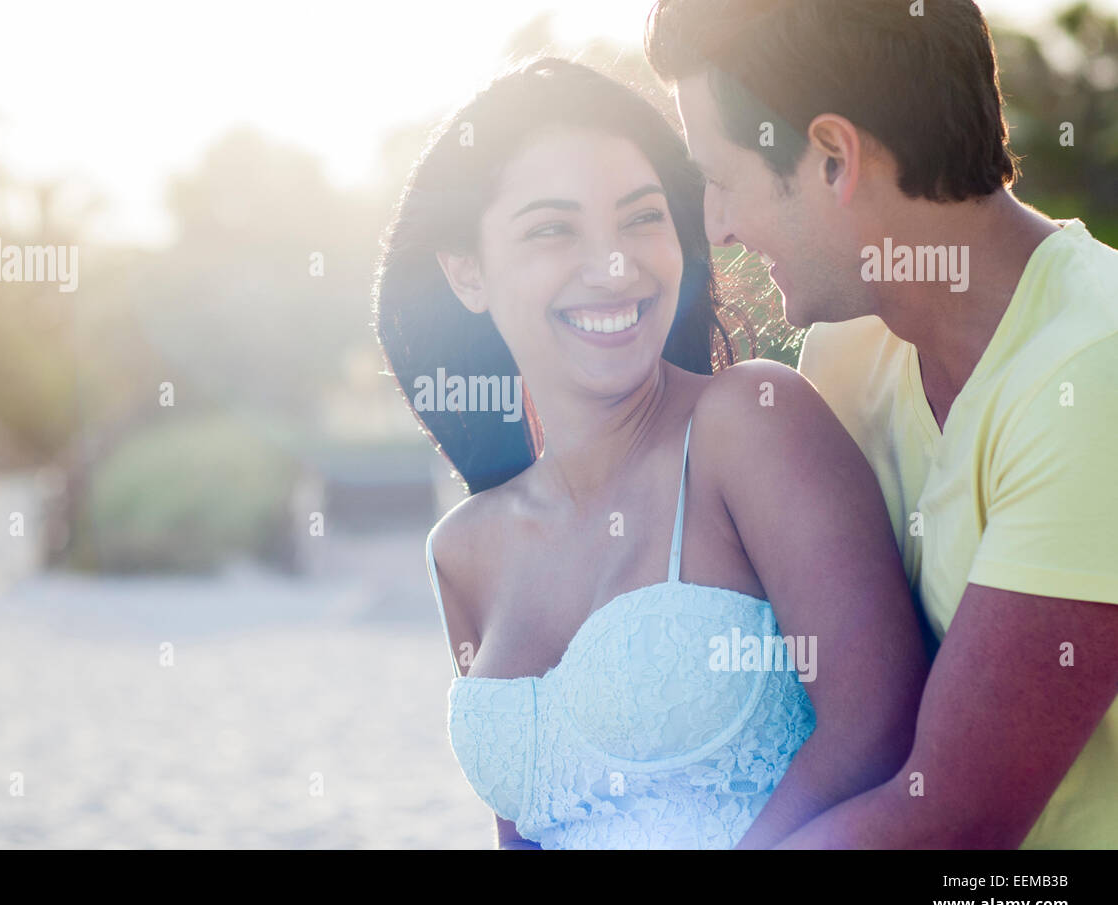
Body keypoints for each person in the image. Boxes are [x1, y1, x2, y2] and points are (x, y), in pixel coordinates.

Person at [373, 57, 928, 849]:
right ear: (466, 271)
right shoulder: (460, 551)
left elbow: (879, 730)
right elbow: (526, 829)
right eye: (552, 229)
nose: (613, 266)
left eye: (641, 218)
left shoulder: (749, 422)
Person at [647, 0, 1118, 848]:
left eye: (721, 178)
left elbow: (953, 820)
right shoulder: (845, 354)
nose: (719, 226)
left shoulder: (1091, 375)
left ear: (832, 157)